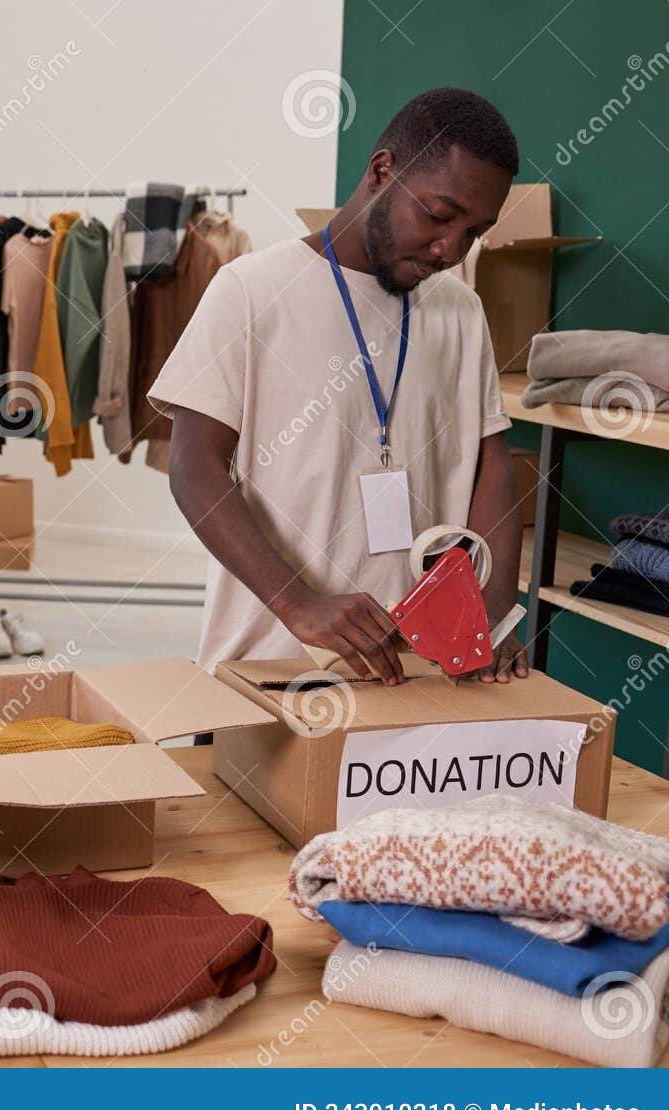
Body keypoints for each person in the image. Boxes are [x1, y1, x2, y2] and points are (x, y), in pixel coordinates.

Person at [152, 87, 528, 685]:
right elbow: (193, 468)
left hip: (417, 670)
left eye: (474, 233)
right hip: (270, 665)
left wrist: (496, 611)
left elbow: (491, 464)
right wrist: (298, 602)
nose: (450, 250)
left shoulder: (460, 310)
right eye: (438, 215)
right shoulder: (250, 289)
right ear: (383, 171)